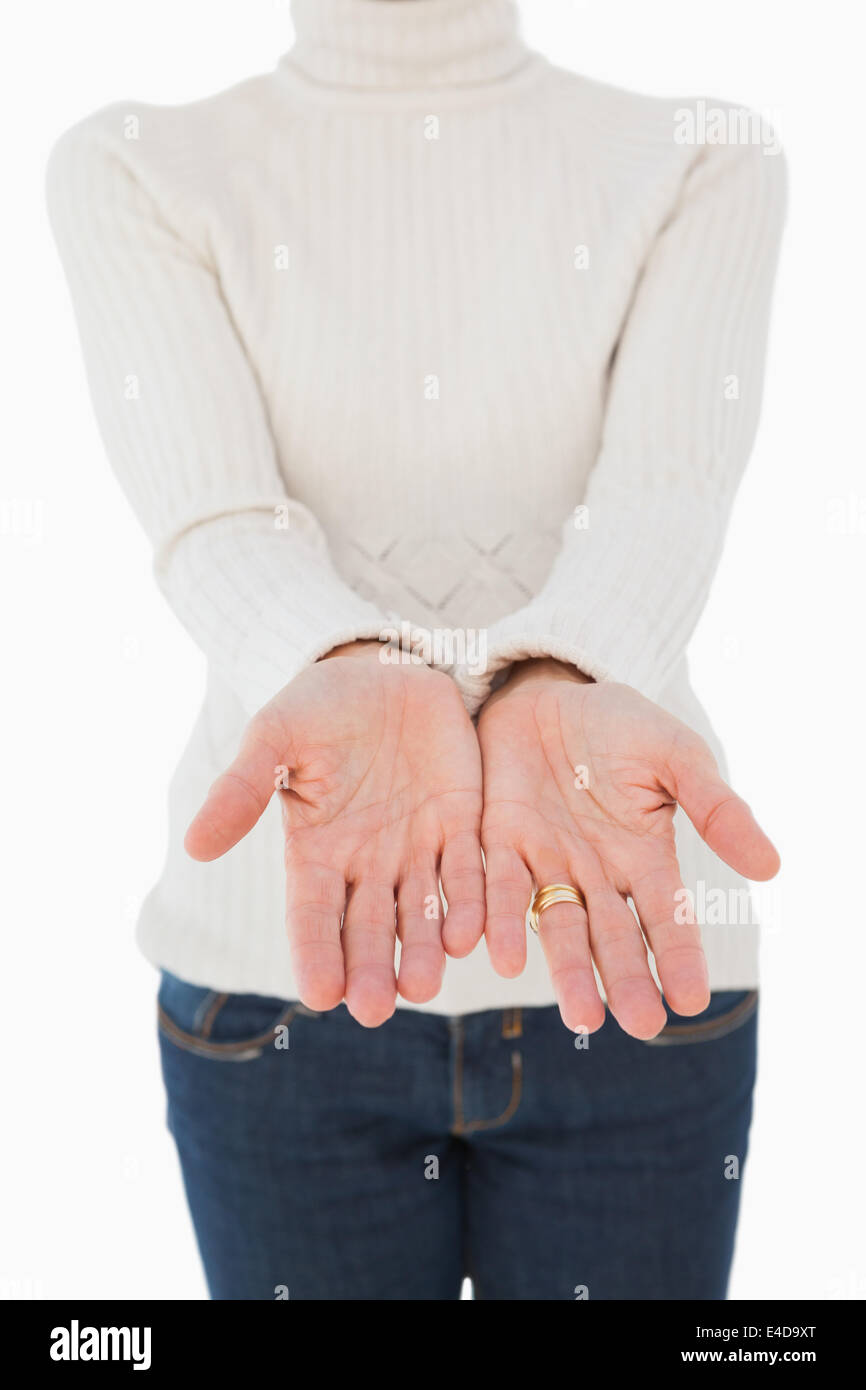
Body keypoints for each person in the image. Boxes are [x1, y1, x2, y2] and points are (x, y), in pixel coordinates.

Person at [46, 0, 786, 1299]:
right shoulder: (132, 163)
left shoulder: (700, 157)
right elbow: (212, 519)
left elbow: (664, 499)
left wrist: (550, 672)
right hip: (275, 988)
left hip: (621, 953)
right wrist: (340, 658)